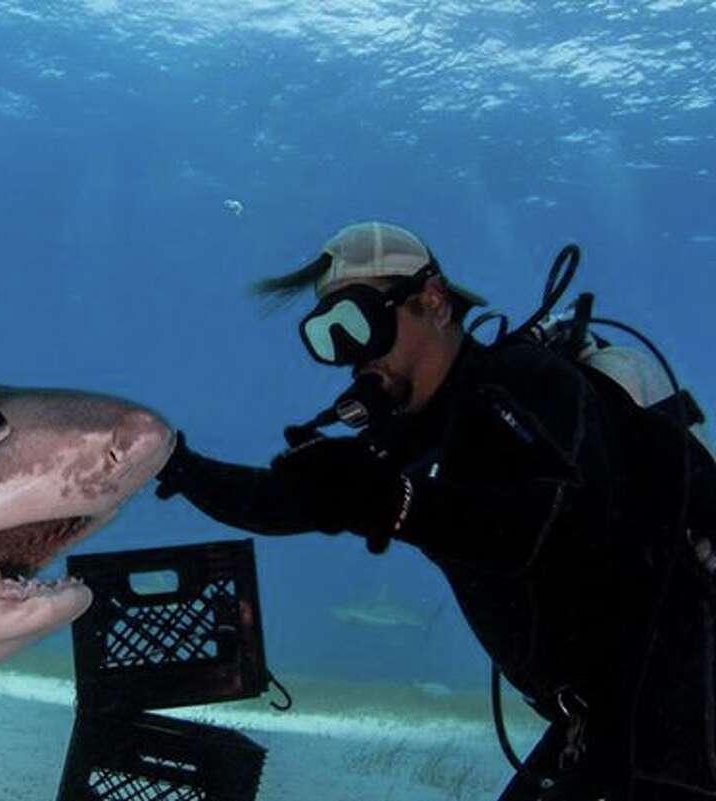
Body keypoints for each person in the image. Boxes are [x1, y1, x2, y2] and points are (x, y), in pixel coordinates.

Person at [154, 221, 716, 800]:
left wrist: (398, 505)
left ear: (434, 301)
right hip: (604, 713)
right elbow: (281, 502)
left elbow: (567, 527)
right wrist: (170, 462)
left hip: (683, 694)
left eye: (358, 321)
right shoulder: (415, 438)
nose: (351, 357)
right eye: (329, 336)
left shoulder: (529, 383)